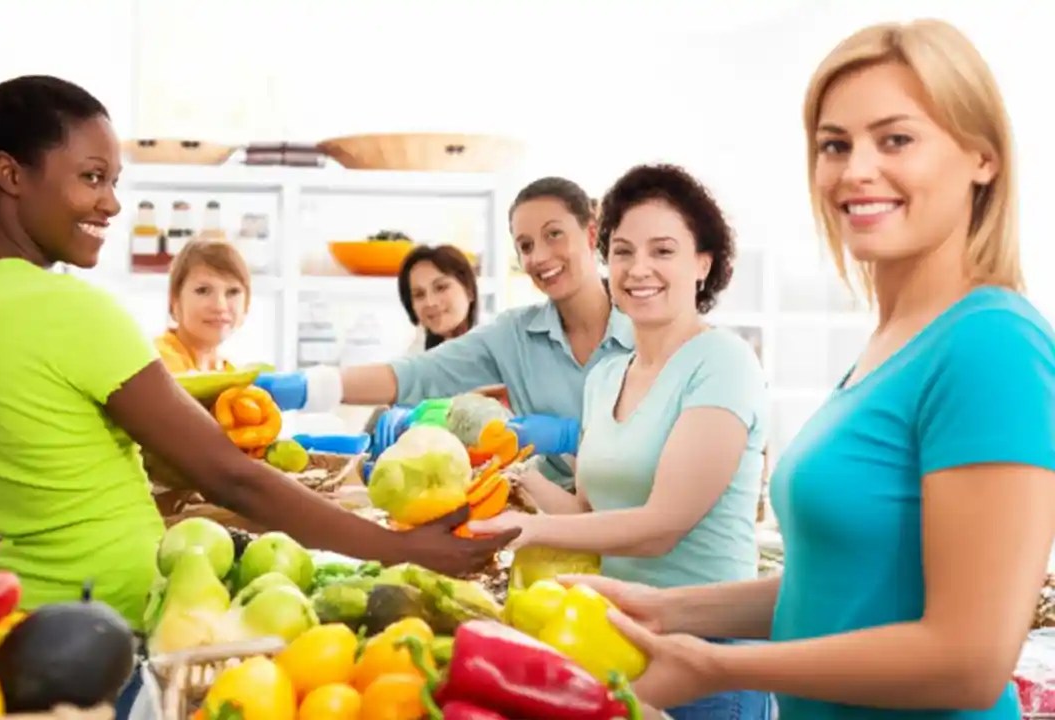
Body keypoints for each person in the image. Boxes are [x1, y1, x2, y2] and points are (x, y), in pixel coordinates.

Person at [0, 75, 516, 638]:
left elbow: (30, 460)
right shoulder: (68, 309)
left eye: (114, 181)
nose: (112, 204)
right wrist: (401, 549)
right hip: (117, 614)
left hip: (18, 612)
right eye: (92, 178)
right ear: (11, 175)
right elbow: (230, 476)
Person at [569, 19, 1055, 720]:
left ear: (982, 158)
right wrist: (669, 609)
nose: (856, 169)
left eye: (896, 139)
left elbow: (968, 663)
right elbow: (840, 589)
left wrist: (713, 666)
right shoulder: (891, 343)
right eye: (835, 144)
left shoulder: (993, 344)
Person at [471, 163, 772, 719]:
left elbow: (661, 526)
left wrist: (526, 527)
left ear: (703, 263)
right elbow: (587, 511)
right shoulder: (607, 376)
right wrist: (510, 472)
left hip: (708, 657)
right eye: (623, 251)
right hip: (614, 644)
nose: (638, 270)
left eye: (663, 251)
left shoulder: (722, 362)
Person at [258, 177, 636, 489]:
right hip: (553, 520)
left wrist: (575, 439)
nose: (538, 256)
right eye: (525, 245)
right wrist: (311, 387)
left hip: (642, 524)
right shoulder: (515, 335)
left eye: (554, 234)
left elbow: (668, 449)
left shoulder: (645, 327)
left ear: (590, 234)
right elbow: (415, 374)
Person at [155, 239, 248, 374]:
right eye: (203, 290)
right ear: (175, 301)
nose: (220, 306)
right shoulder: (158, 364)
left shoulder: (229, 372)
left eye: (233, 292)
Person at [397, 243, 479, 354]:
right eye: (419, 294)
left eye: (441, 288)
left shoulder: (498, 345)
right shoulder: (413, 358)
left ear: (469, 290)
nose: (430, 302)